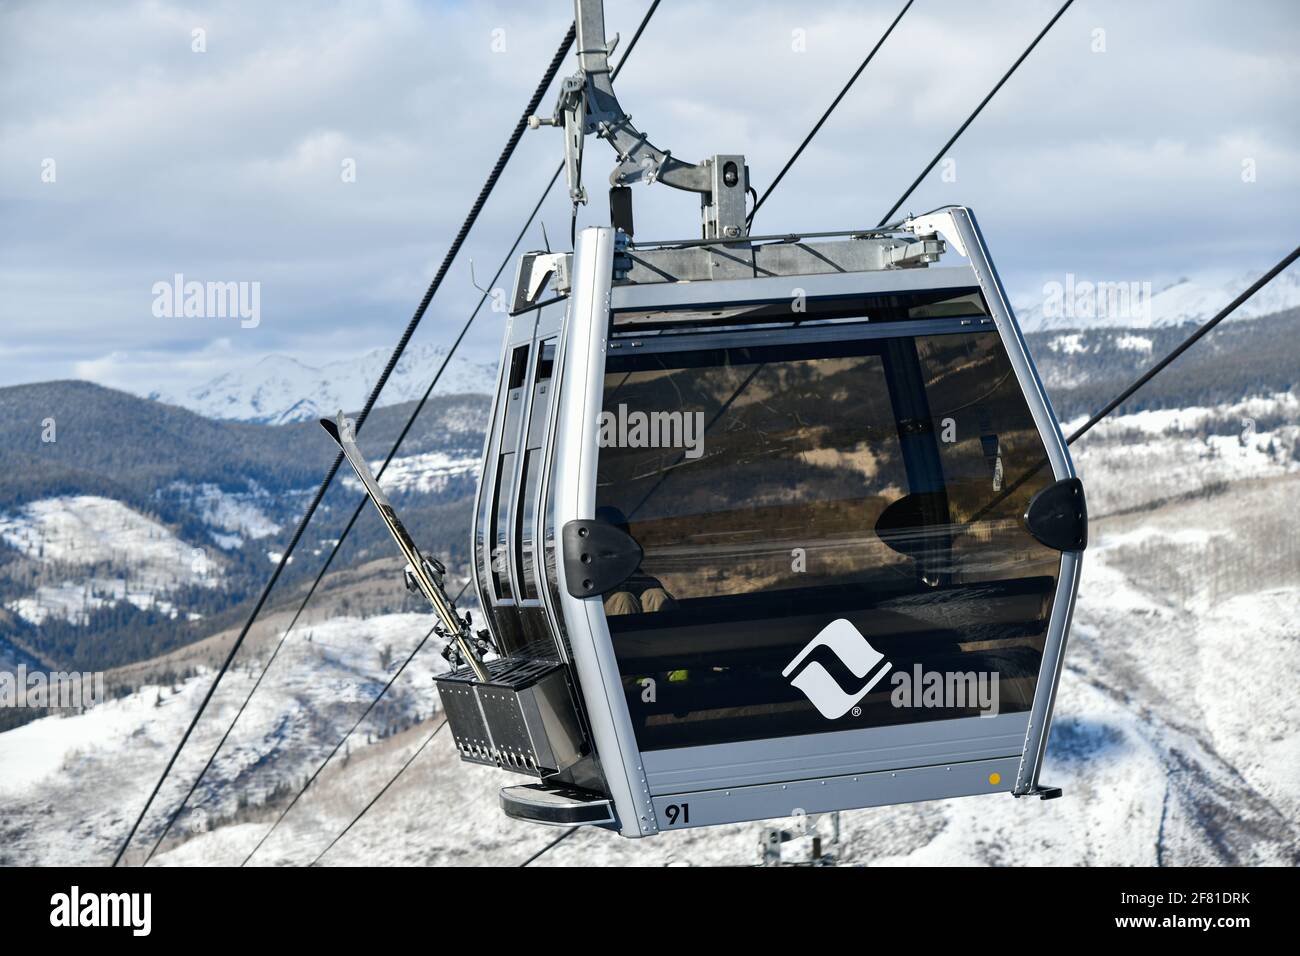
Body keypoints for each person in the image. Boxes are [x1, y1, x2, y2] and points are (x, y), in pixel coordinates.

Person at [596, 505, 677, 615]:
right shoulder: (587, 568)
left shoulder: (629, 565)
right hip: (598, 620)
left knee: (657, 596)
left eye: (620, 537)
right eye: (608, 537)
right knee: (623, 599)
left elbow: (648, 584)